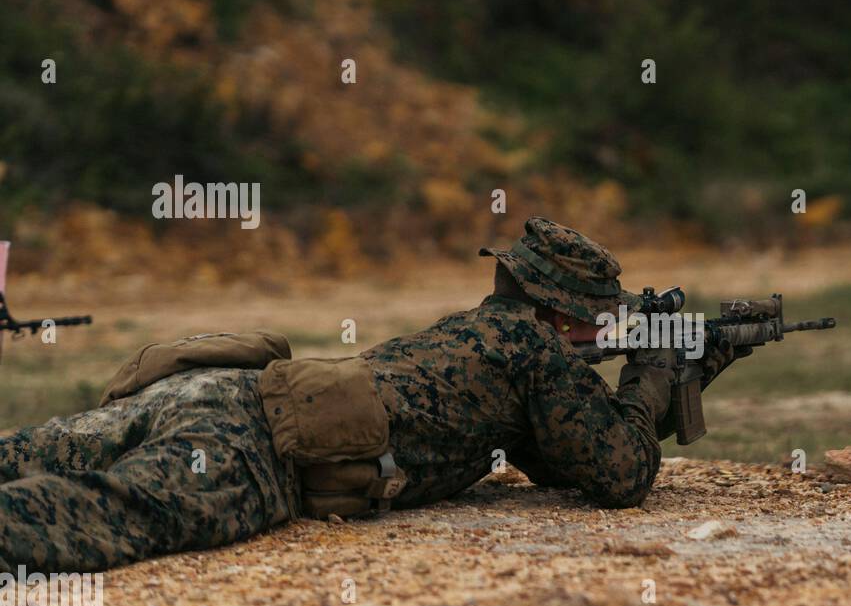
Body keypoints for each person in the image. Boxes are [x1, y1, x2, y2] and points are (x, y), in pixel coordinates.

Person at [0, 218, 739, 573]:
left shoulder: (478, 333)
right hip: (255, 450)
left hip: (214, 390)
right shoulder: (537, 352)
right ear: (562, 311)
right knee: (105, 514)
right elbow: (620, 475)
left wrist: (667, 373)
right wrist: (650, 382)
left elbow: (555, 457)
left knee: (30, 450)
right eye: (598, 312)